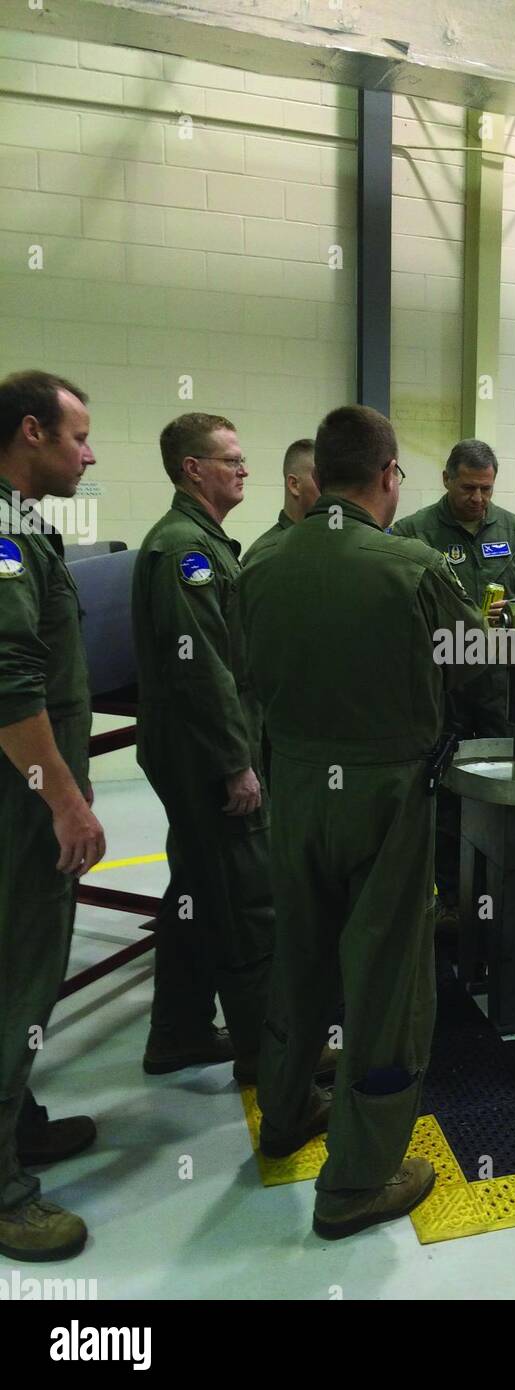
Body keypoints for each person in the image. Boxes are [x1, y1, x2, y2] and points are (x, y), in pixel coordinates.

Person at [237, 404, 487, 1239]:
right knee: (384, 982)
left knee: (300, 954)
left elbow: (247, 672)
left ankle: (283, 1113)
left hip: (295, 789)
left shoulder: (261, 558)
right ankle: (358, 1182)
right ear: (388, 477)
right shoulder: (411, 566)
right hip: (387, 798)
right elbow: (477, 675)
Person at [132, 413, 273, 1085]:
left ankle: (178, 1034)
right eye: (232, 461)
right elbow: (202, 668)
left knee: (195, 888)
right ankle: (269, 1058)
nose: (245, 471)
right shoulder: (183, 550)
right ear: (194, 470)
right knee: (246, 899)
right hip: (203, 755)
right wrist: (235, 762)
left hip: (196, 747)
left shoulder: (204, 543)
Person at [0, 370, 105, 1261]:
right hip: (18, 809)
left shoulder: (21, 521)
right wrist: (65, 802)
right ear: (31, 431)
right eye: (77, 437)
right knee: (15, 977)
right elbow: (8, 684)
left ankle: (17, 1122)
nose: (89, 452)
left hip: (25, 798)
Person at [392, 439, 515, 935]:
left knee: (514, 797)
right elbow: (396, 614)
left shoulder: (513, 530)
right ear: (446, 479)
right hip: (441, 694)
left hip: (502, 694)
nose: (478, 498)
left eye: (486, 489)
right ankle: (451, 904)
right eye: (469, 488)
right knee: (446, 798)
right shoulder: (412, 533)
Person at [242, 437, 320, 567]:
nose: (331, 489)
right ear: (294, 485)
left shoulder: (323, 543)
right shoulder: (266, 554)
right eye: (321, 478)